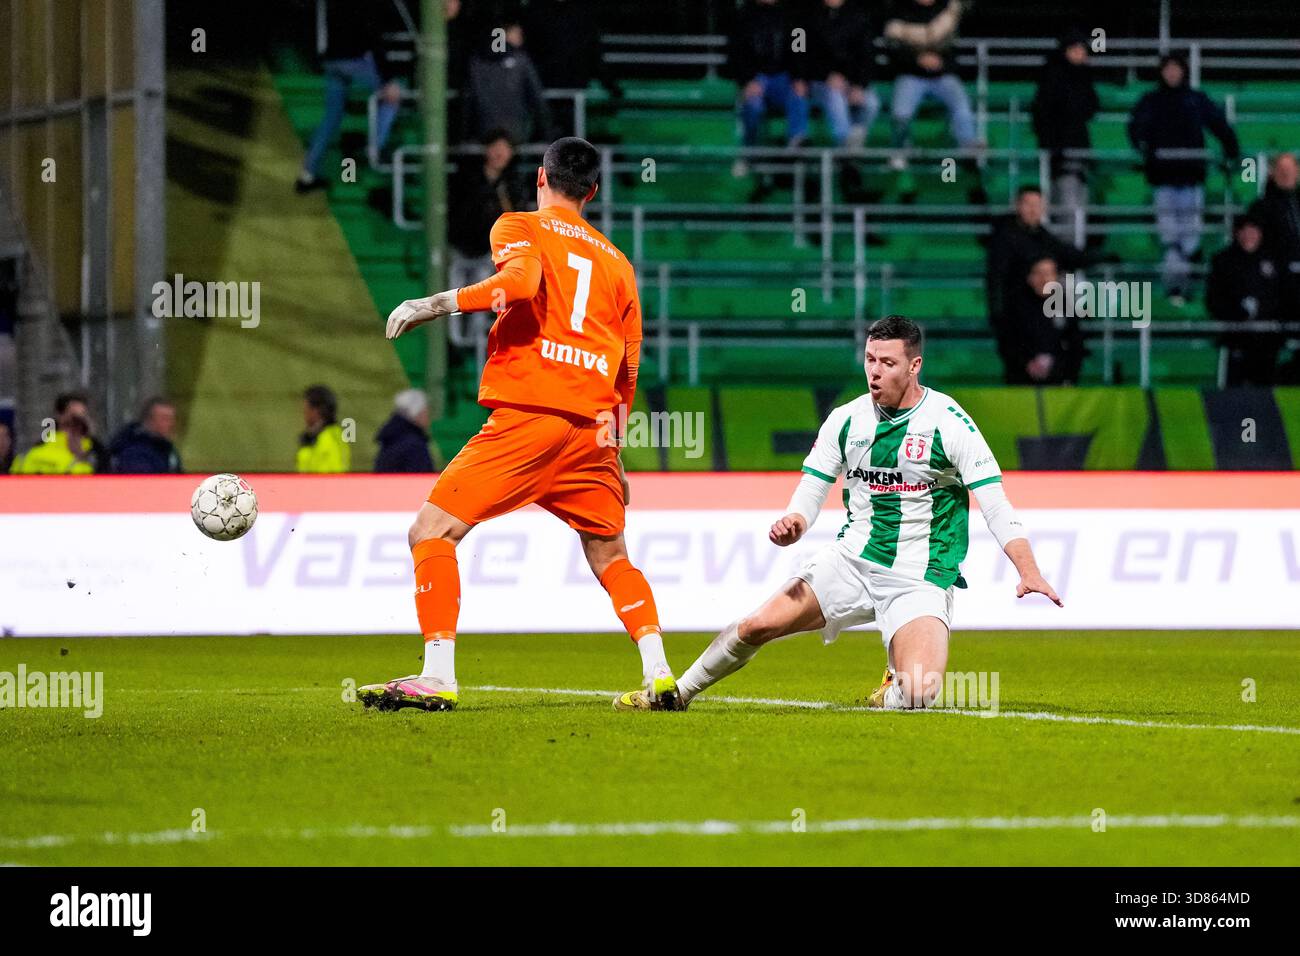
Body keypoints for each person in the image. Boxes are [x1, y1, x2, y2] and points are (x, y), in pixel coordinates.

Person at [362, 137, 679, 713]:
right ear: (593, 191)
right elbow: (628, 369)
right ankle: (660, 674)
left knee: (431, 531)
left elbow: (521, 284)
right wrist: (616, 448)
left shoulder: (519, 225)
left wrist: (436, 304)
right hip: (590, 431)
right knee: (611, 556)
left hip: (531, 417)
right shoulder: (618, 263)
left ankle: (436, 675)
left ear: (540, 177)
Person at [615, 315, 1061, 711]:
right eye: (870, 359)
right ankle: (673, 696)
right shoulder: (847, 419)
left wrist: (1028, 570)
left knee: (921, 692)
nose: (874, 371)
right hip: (851, 562)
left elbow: (996, 504)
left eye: (887, 362)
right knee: (755, 625)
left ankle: (892, 686)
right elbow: (813, 487)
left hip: (920, 576)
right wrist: (796, 521)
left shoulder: (949, 422)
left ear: (914, 366)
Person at [1127, 53, 1239, 305]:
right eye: (1168, 69)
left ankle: (1185, 285)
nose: (1172, 74)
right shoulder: (1151, 100)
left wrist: (1232, 150)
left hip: (1191, 179)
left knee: (1189, 235)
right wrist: (1142, 147)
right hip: (1163, 179)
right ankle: (1176, 288)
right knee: (1170, 236)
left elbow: (1219, 124)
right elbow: (1135, 128)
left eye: (1177, 69)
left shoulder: (1196, 99)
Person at [296, 0, 404, 192]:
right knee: (393, 94)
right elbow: (372, 35)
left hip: (332, 60)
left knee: (331, 117)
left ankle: (308, 173)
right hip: (354, 58)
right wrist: (388, 79)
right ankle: (375, 149)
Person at [882, 0, 983, 201]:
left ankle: (969, 151)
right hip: (910, 73)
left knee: (961, 107)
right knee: (900, 114)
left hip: (942, 74)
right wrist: (917, 60)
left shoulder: (949, 10)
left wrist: (941, 62)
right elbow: (893, 50)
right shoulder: (898, 11)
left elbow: (954, 48)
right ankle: (900, 153)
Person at [986, 186, 1086, 377]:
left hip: (1041, 309)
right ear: (1018, 206)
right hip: (1014, 316)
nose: (1033, 210)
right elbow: (995, 280)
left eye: (1037, 205)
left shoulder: (1041, 235)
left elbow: (1068, 255)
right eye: (1028, 204)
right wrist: (997, 315)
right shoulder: (1005, 238)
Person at [1031, 29, 1100, 247]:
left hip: (1078, 153)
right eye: (1077, 50)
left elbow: (1092, 107)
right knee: (1068, 213)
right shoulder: (1053, 78)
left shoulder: (1082, 78)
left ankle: (1069, 267)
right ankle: (1064, 271)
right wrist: (1053, 147)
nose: (1082, 55)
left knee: (1078, 211)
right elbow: (1043, 115)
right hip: (1061, 155)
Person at [727, 0, 807, 177]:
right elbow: (735, 53)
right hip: (756, 77)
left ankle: (796, 144)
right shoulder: (742, 16)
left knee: (798, 96)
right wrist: (747, 80)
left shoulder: (792, 16)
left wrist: (799, 77)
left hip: (783, 77)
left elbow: (799, 49)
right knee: (752, 106)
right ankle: (748, 154)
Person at [1207, 215, 1284, 386]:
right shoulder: (1223, 260)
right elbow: (1214, 298)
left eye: (1253, 230)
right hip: (1236, 338)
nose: (1249, 235)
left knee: (1265, 391)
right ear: (1236, 233)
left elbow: (1283, 294)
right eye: (1245, 231)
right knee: (1233, 392)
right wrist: (1237, 315)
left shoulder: (1274, 260)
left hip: (1268, 340)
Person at [449, 130, 528, 291]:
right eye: (496, 147)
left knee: (480, 298)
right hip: (460, 245)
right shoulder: (467, 178)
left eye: (505, 149)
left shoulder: (513, 183)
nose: (499, 153)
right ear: (487, 149)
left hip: (490, 250)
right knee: (451, 298)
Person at [795, 0, 880, 149]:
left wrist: (858, 85)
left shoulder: (859, 17)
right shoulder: (805, 16)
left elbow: (866, 55)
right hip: (818, 82)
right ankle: (845, 153)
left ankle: (849, 148)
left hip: (850, 81)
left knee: (871, 103)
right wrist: (825, 75)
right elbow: (798, 52)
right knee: (836, 99)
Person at [461, 22, 551, 145]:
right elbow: (537, 99)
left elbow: (467, 101)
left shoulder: (475, 60)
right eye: (517, 33)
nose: (521, 38)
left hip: (482, 131)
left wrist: (464, 134)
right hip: (516, 133)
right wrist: (547, 133)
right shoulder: (520, 60)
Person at [1005, 257, 1085, 385]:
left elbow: (1075, 345)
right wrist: (1027, 363)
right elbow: (1009, 343)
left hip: (1059, 383)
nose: (1044, 279)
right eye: (1038, 273)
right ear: (1029, 277)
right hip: (1021, 383)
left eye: (1048, 273)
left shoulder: (1066, 306)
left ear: (1057, 278)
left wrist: (1063, 372)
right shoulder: (1016, 308)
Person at [1246, 153, 1300, 321]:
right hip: (1276, 279)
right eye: (1282, 170)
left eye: (1290, 170)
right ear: (1272, 173)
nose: (1286, 175)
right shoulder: (1260, 208)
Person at [11, 391, 104, 475]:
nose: (78, 422)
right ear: (59, 416)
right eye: (74, 417)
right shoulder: (37, 449)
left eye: (82, 417)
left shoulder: (97, 452)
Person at [108, 397, 184, 474]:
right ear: (149, 421)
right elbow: (143, 484)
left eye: (172, 419)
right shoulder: (134, 454)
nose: (171, 424)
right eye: (165, 418)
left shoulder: (165, 448)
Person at [375, 389, 436, 473]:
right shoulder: (414, 446)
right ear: (417, 413)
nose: (428, 417)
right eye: (425, 412)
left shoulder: (390, 440)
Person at [296, 385, 351, 473]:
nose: (304, 414)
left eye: (306, 409)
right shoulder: (316, 437)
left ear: (317, 411)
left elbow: (328, 476)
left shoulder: (330, 439)